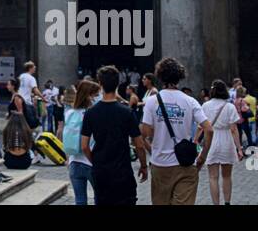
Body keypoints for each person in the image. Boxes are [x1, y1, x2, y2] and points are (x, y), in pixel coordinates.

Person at [140, 57, 212, 206]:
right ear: (180, 77)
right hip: (185, 164)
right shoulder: (190, 101)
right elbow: (209, 129)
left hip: (160, 165)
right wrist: (202, 156)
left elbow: (143, 135)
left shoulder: (152, 102)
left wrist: (152, 151)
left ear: (160, 76)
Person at [81, 65, 149, 205]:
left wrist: (95, 161)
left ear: (100, 84)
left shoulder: (90, 113)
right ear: (118, 84)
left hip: (101, 172)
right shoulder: (127, 113)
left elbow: (84, 146)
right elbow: (139, 144)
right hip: (122, 172)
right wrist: (143, 165)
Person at [202, 80, 242, 205]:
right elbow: (234, 129)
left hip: (211, 139)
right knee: (227, 176)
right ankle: (227, 202)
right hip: (226, 140)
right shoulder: (229, 107)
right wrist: (239, 148)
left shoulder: (205, 106)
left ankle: (216, 203)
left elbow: (201, 126)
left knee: (213, 177)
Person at [63, 78, 100, 205]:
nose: (98, 98)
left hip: (74, 162)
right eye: (96, 95)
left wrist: (68, 158)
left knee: (80, 200)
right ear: (89, 96)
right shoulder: (93, 114)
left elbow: (66, 137)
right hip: (90, 162)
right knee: (99, 198)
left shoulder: (70, 112)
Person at [0, 103, 35, 170]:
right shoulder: (27, 131)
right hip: (25, 162)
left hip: (9, 161)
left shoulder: (7, 130)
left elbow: (4, 147)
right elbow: (30, 146)